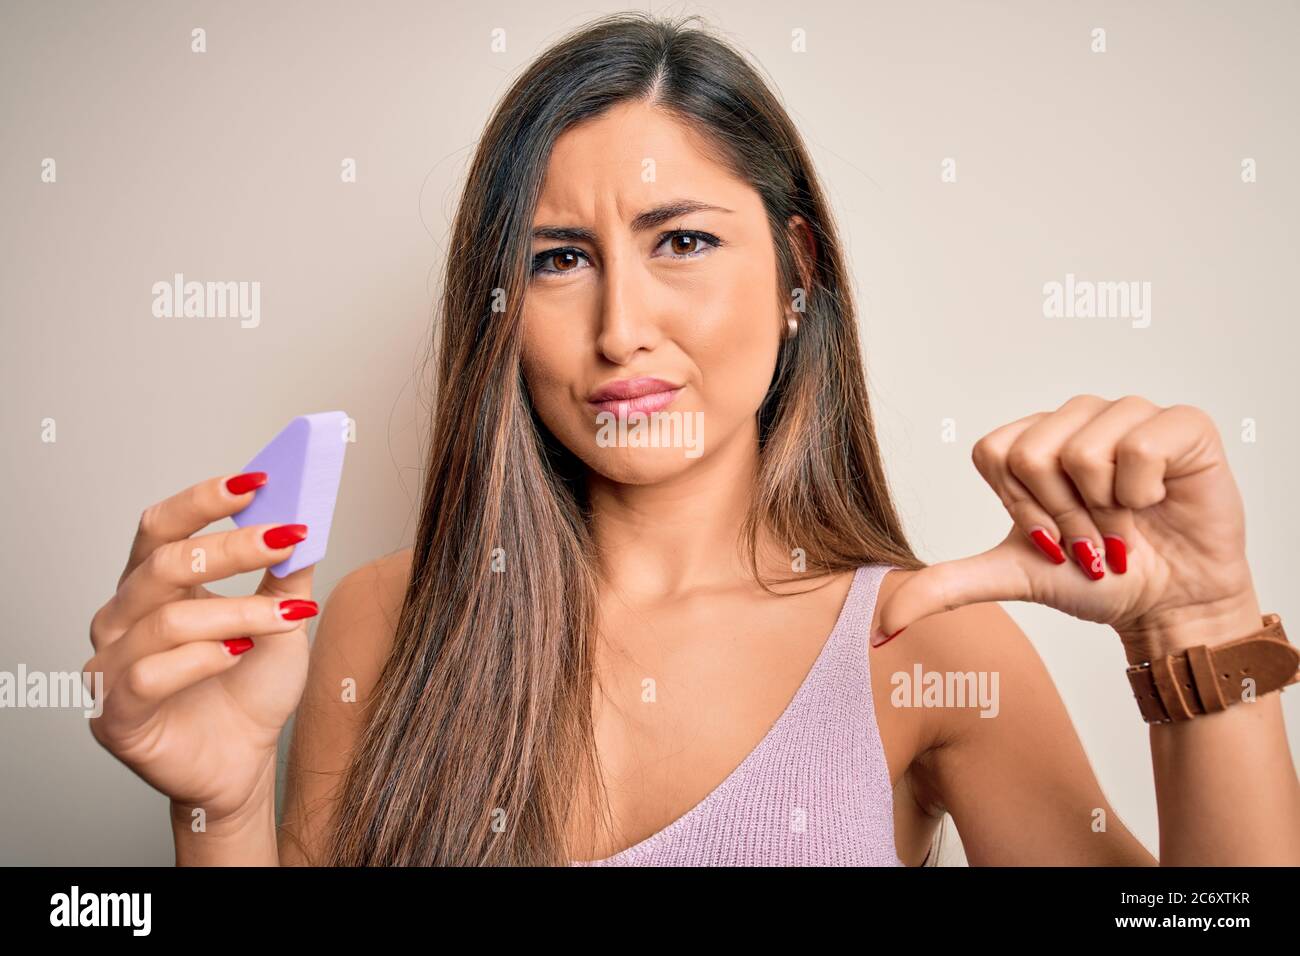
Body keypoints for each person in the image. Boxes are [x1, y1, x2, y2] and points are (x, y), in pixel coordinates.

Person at [86, 12, 1300, 866]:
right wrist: (222, 809)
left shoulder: (918, 646)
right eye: (558, 259)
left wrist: (1200, 633)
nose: (622, 329)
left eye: (682, 240)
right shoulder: (381, 621)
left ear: (795, 271)